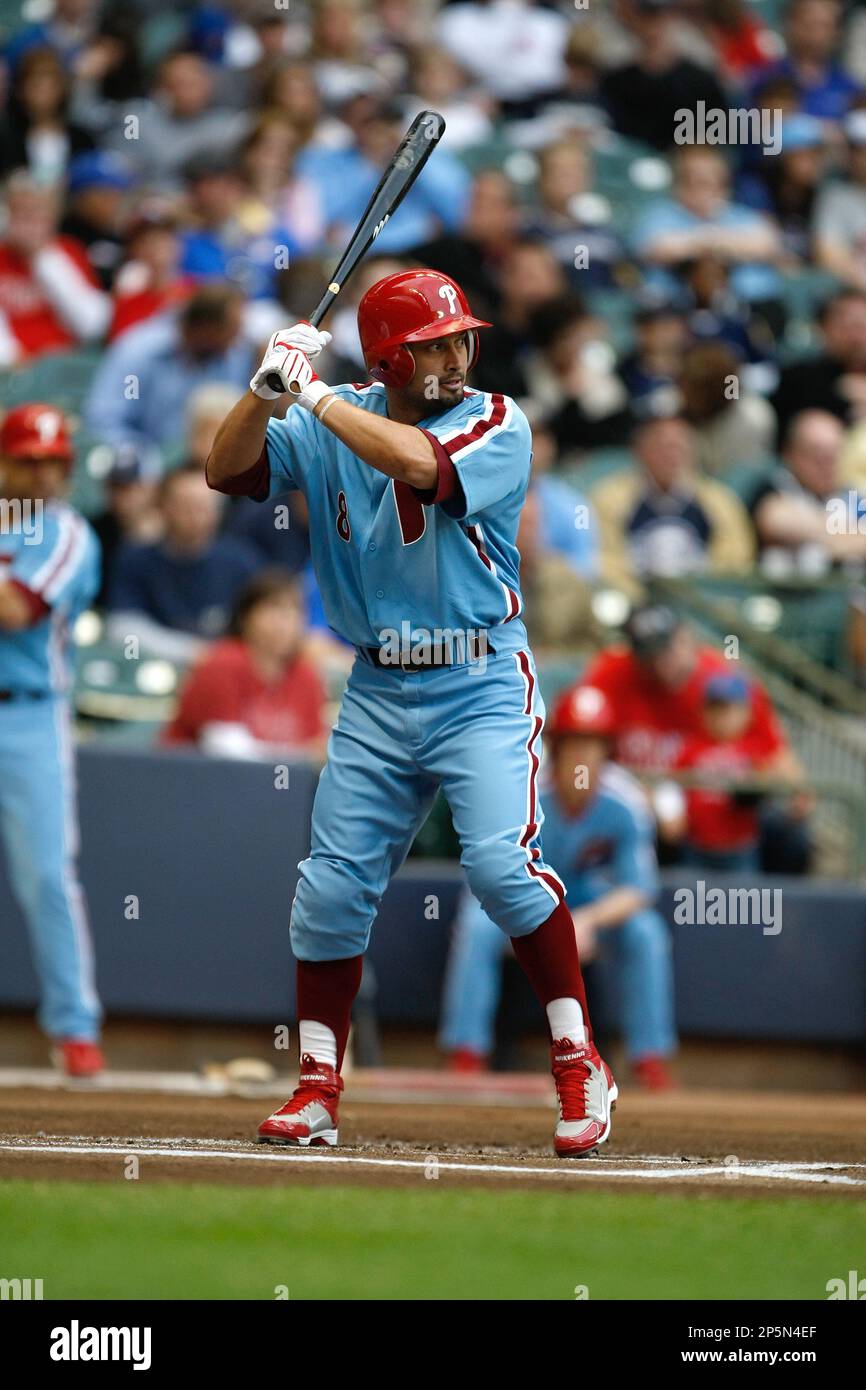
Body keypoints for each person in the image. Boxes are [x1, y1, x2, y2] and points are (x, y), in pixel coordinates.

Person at [207, 268, 617, 1157]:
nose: (457, 353)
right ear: (393, 357)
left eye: (460, 337)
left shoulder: (501, 422)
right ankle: (316, 1088)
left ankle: (580, 1059)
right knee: (328, 892)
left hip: (479, 679)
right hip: (379, 687)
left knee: (504, 870)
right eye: (435, 342)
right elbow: (225, 468)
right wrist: (261, 388)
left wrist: (308, 394)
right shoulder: (331, 414)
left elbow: (419, 466)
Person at [440, 684, 677, 1090]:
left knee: (647, 933)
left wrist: (584, 920)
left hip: (591, 908)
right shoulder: (525, 791)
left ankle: (649, 1059)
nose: (583, 757)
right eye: (574, 744)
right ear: (557, 747)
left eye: (594, 745)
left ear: (608, 751)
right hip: (527, 901)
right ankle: (467, 1052)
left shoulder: (625, 800)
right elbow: (490, 876)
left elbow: (638, 889)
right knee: (476, 924)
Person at [0, 404, 103, 1077]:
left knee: (46, 877)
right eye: (28, 461)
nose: (41, 473)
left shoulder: (67, 532)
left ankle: (74, 1029)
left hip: (29, 717)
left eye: (52, 462)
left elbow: (15, 612)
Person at [107, 462, 261, 663]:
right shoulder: (135, 559)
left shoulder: (242, 562)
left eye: (204, 506)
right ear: (163, 507)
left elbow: (261, 627)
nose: (195, 516)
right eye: (185, 506)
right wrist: (194, 652)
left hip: (226, 673)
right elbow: (123, 629)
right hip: (154, 669)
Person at [162, 570, 327, 756]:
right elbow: (225, 749)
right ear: (245, 618)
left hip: (278, 783)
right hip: (194, 778)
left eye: (295, 610)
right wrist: (299, 755)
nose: (285, 622)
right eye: (274, 608)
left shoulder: (306, 675)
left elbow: (316, 750)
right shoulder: (221, 663)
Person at [590, 412, 755, 598]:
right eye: (662, 447)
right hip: (634, 604)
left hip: (702, 605)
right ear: (639, 450)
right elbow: (604, 561)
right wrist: (639, 600)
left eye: (679, 447)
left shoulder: (720, 501)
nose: (671, 455)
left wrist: (699, 598)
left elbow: (735, 562)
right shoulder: (608, 498)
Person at [84, 284, 252, 455]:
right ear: (206, 327)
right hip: (146, 462)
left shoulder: (232, 356)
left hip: (205, 465)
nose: (237, 340)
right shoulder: (139, 352)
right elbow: (104, 422)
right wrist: (144, 459)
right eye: (232, 331)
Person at [669, 672, 806, 872]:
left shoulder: (756, 748)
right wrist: (672, 812)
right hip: (697, 845)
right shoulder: (691, 748)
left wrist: (781, 788)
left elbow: (786, 776)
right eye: (714, 709)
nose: (721, 717)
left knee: (743, 900)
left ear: (747, 713)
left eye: (729, 710)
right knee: (691, 898)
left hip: (740, 847)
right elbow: (671, 784)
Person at [0, 171, 110, 367]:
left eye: (39, 215)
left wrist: (43, 259)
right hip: (14, 370)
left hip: (67, 363)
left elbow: (93, 324)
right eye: (23, 214)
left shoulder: (69, 251)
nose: (31, 226)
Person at [749, 409, 866, 575]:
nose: (826, 464)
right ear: (790, 453)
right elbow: (775, 521)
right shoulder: (773, 486)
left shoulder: (852, 496)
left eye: (834, 454)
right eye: (817, 454)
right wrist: (848, 538)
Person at [771, 289, 866, 443]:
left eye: (861, 325)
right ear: (824, 328)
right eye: (847, 326)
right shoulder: (799, 377)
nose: (856, 337)